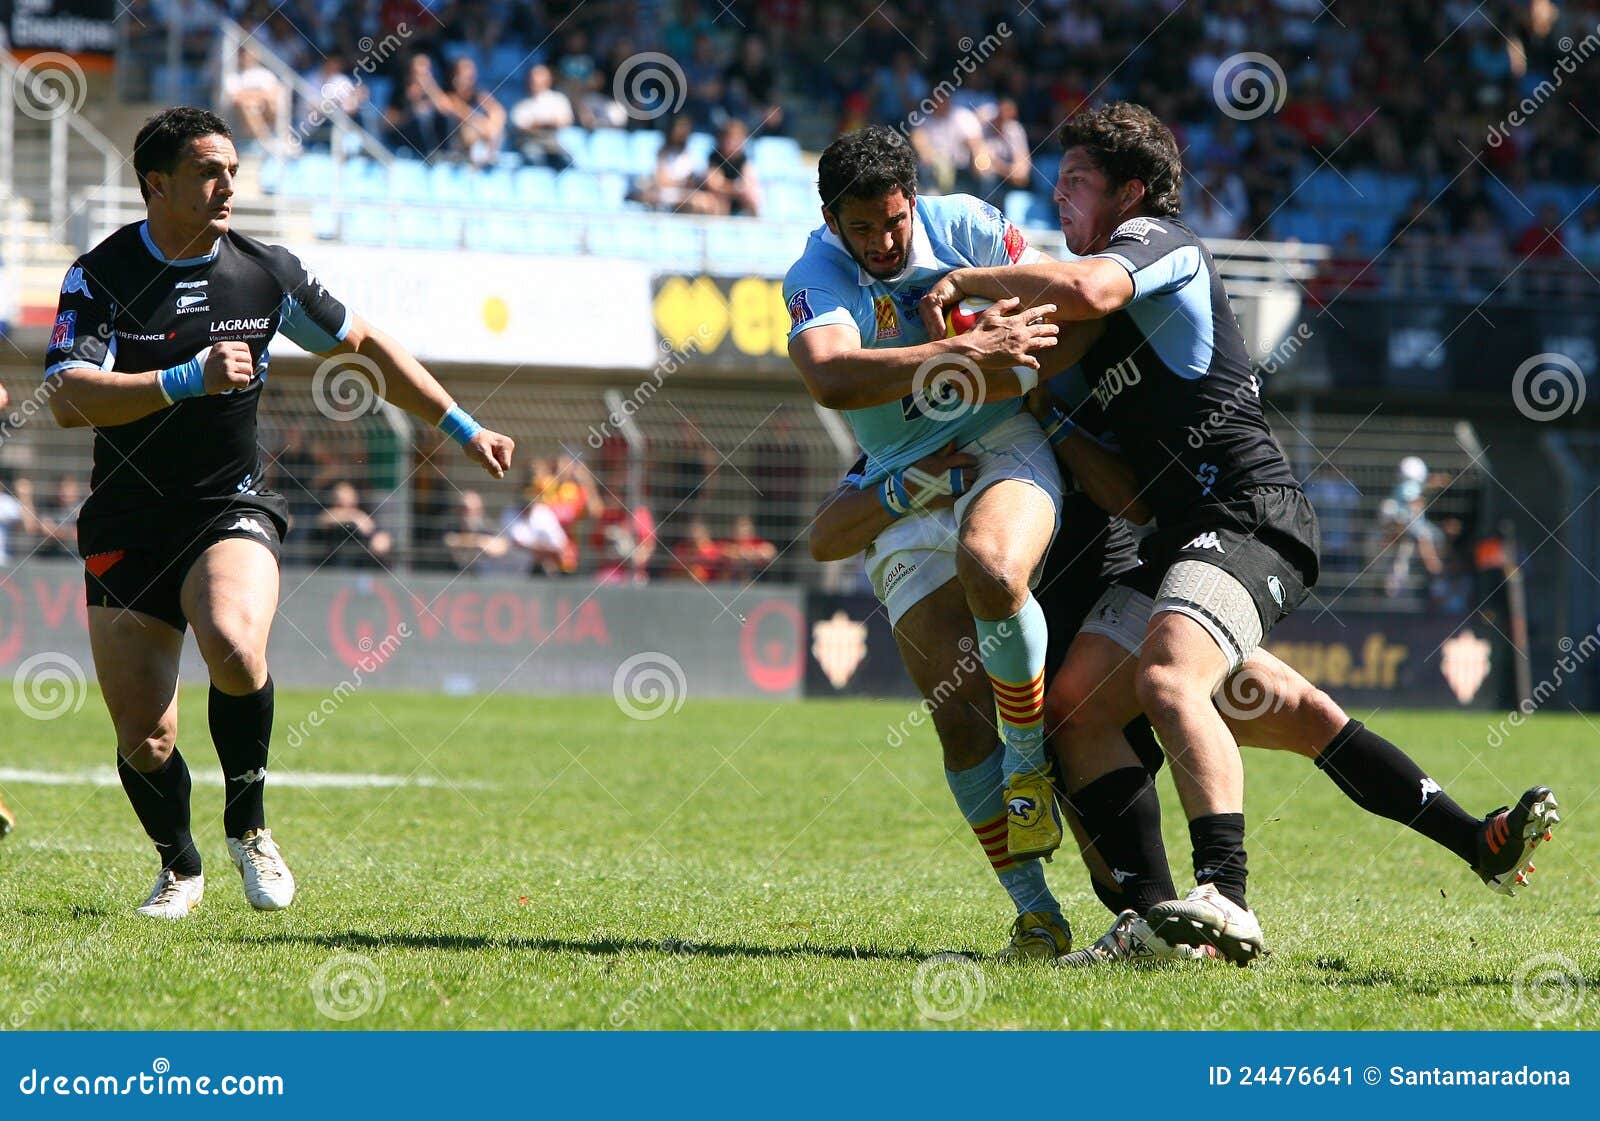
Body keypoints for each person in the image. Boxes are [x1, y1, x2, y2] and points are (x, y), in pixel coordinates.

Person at [808, 390, 1561, 965]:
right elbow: (830, 528)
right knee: (1105, 816)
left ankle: (1476, 841)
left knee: (1299, 707)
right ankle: (1161, 926)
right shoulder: (920, 431)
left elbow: (1129, 495)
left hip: (1126, 608)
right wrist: (912, 487)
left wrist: (1053, 420)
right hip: (1062, 672)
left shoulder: (1047, 399)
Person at [43, 107, 515, 920]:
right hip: (126, 519)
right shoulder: (101, 274)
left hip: (229, 506)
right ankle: (179, 865)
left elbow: (364, 347)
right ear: (157, 184)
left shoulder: (267, 273)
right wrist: (184, 379)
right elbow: (65, 397)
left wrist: (463, 426)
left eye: (232, 169)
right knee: (145, 739)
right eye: (208, 171)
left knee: (233, 641)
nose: (227, 184)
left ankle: (249, 827)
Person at [916, 101, 1308, 962]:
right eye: (1056, 181)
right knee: (1072, 712)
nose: (1058, 196)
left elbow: (1088, 289)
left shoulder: (1157, 243)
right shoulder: (1095, 316)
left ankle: (1226, 897)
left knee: (1178, 684)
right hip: (1167, 540)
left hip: (1238, 517)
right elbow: (1050, 381)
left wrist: (968, 282)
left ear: (1130, 193)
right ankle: (1155, 922)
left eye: (1078, 182)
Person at [784, 125, 1068, 897]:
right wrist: (967, 352)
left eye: (894, 221)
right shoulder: (814, 273)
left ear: (914, 198)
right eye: (862, 227)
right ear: (831, 219)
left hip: (1000, 438)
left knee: (993, 567)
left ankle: (1026, 765)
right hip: (899, 471)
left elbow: (1064, 300)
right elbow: (832, 378)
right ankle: (1035, 913)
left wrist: (995, 321)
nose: (882, 242)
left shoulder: (969, 224)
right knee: (956, 720)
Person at [509, 65, 574, 169]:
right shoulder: (520, 104)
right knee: (533, 158)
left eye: (540, 78)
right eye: (533, 79)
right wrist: (547, 123)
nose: (536, 82)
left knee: (566, 160)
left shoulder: (559, 99)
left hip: (554, 142)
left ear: (548, 80)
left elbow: (564, 121)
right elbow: (521, 127)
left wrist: (537, 123)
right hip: (531, 142)